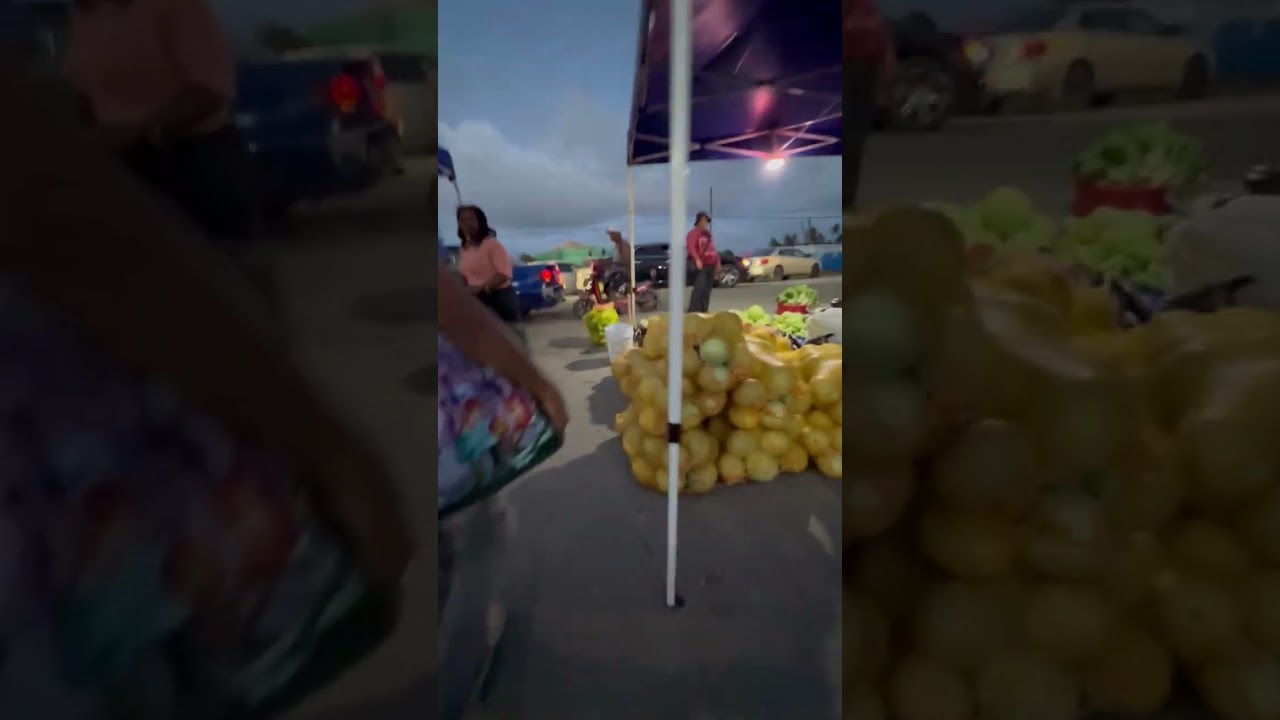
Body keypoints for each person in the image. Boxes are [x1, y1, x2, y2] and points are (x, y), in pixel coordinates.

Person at [0, 33, 411, 716]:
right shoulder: (83, 22)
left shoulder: (166, 11)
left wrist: (307, 429)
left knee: (234, 312)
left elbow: (57, 196)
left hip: (190, 173)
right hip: (131, 177)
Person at [64, 0, 259, 243]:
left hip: (193, 161)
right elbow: (88, 88)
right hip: (125, 164)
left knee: (217, 270)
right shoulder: (83, 12)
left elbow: (210, 87)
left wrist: (143, 130)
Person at [843, 0, 894, 211]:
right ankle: (842, 200)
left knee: (855, 140)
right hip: (844, 65)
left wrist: (886, 63)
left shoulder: (868, 9)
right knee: (847, 138)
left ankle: (847, 200)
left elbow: (880, 32)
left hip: (866, 66)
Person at [456, 205, 522, 324]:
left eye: (470, 219)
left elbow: (504, 274)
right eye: (462, 221)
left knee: (506, 339)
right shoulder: (464, 249)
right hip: (477, 301)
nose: (466, 224)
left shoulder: (492, 244)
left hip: (498, 299)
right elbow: (466, 275)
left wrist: (481, 287)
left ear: (480, 221)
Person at [686, 211, 720, 312]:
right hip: (702, 265)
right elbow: (691, 247)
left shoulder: (708, 235)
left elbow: (713, 249)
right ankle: (694, 310)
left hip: (711, 264)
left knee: (707, 289)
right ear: (699, 221)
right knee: (699, 288)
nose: (706, 224)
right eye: (704, 221)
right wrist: (697, 259)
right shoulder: (693, 234)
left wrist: (717, 263)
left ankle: (704, 309)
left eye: (707, 222)